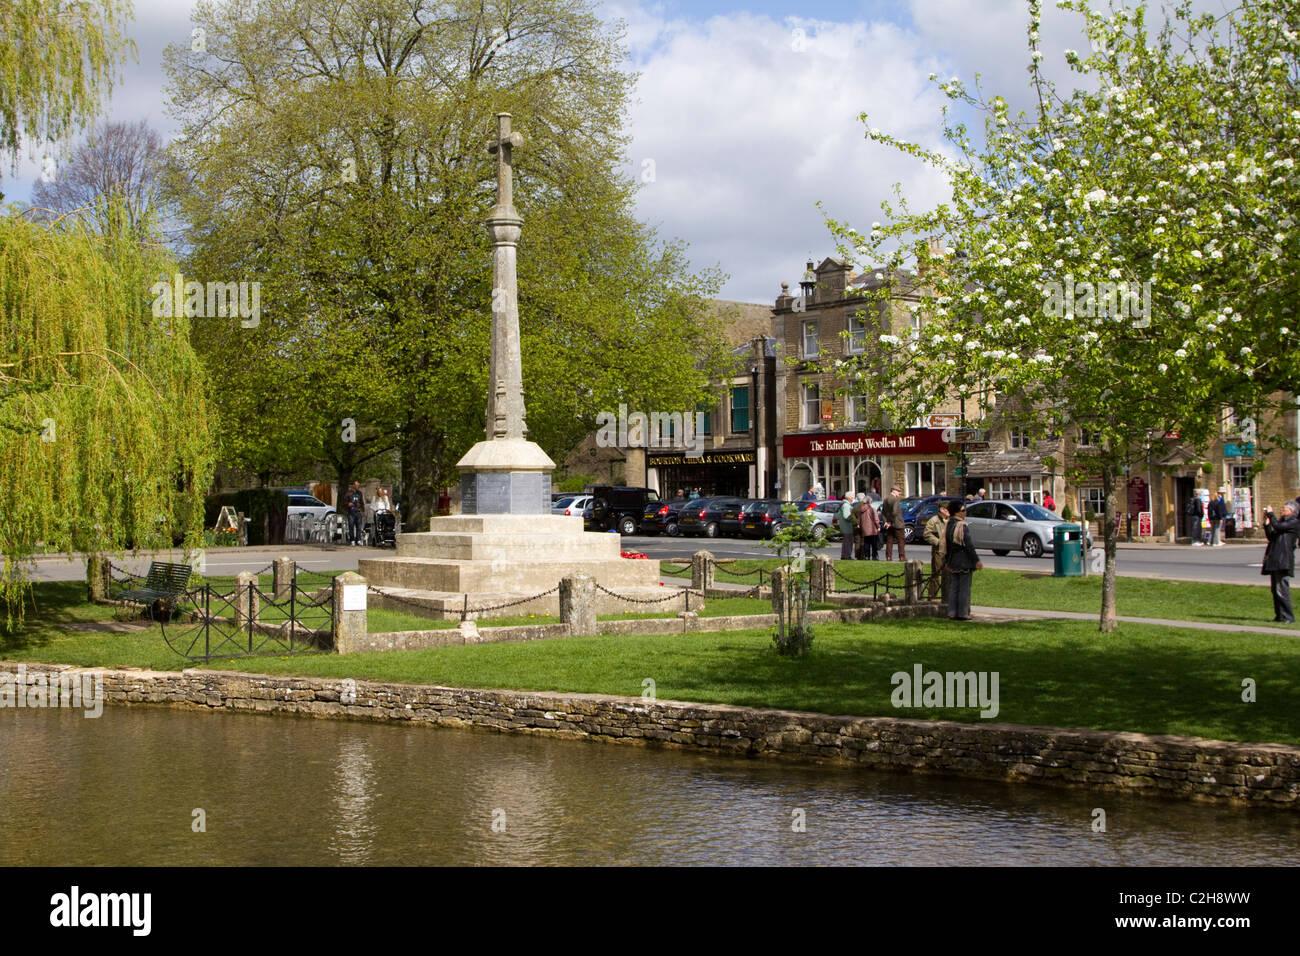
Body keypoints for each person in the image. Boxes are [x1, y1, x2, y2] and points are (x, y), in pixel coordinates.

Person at [944, 500, 982, 620]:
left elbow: (947, 545)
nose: (965, 512)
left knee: (954, 588)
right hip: (964, 560)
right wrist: (976, 560)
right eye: (963, 510)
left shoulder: (949, 524)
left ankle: (952, 612)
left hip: (953, 560)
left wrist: (947, 561)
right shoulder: (961, 525)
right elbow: (969, 545)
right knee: (964, 588)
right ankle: (963, 613)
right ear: (957, 512)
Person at [1262, 503, 1298, 623]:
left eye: (1284, 509)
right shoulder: (1282, 523)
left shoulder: (1294, 522)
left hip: (1284, 559)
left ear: (1291, 511)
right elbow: (1271, 537)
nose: (1281, 510)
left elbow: (1277, 526)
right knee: (1275, 589)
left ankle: (1288, 617)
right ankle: (1280, 616)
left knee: (1282, 589)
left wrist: (1271, 514)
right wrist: (1267, 524)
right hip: (1276, 558)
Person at [922, 500, 952, 599]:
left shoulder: (952, 519)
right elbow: (927, 534)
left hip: (951, 551)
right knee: (936, 574)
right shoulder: (934, 520)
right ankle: (932, 596)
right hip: (939, 551)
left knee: (948, 575)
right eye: (948, 509)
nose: (949, 511)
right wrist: (938, 542)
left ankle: (947, 597)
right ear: (942, 509)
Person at [881, 485, 906, 561]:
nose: (899, 493)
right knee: (901, 541)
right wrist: (890, 522)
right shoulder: (895, 500)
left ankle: (888, 557)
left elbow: (883, 512)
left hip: (889, 524)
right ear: (894, 491)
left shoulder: (886, 499)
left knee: (889, 541)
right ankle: (902, 557)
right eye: (898, 491)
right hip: (897, 523)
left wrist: (886, 522)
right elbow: (894, 512)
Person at [859, 493, 881, 560]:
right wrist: (878, 526)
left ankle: (867, 556)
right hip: (872, 529)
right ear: (869, 502)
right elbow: (876, 519)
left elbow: (860, 519)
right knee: (874, 544)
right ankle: (874, 556)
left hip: (864, 528)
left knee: (866, 543)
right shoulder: (872, 509)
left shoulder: (861, 509)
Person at [345, 481, 366, 546]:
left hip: (358, 511)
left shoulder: (360, 493)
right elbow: (345, 502)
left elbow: (362, 502)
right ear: (353, 485)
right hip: (351, 512)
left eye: (358, 486)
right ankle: (352, 540)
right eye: (356, 485)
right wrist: (348, 504)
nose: (357, 487)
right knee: (351, 526)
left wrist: (363, 510)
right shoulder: (348, 493)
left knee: (359, 527)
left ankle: (358, 539)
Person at [837, 492, 856, 560]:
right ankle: (846, 556)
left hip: (846, 527)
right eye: (853, 497)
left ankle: (845, 555)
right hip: (847, 527)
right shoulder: (846, 505)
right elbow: (846, 516)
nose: (853, 498)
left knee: (847, 542)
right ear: (849, 497)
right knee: (848, 542)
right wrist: (854, 518)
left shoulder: (846, 504)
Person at [851, 493, 868, 559]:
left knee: (857, 541)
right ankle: (862, 555)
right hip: (864, 525)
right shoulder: (865, 506)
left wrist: (857, 523)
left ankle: (857, 555)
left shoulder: (855, 506)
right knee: (863, 540)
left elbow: (852, 516)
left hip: (856, 526)